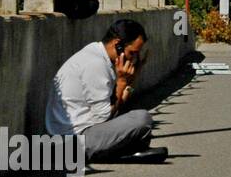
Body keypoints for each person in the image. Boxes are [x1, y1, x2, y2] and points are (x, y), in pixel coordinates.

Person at [46, 19, 167, 163]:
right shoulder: (95, 64)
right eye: (132, 53)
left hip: (79, 134)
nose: (134, 58)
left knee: (138, 124)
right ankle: (119, 152)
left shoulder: (97, 54)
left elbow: (117, 105)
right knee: (142, 118)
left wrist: (132, 78)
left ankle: (122, 151)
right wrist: (122, 82)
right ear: (118, 45)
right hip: (72, 141)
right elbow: (105, 116)